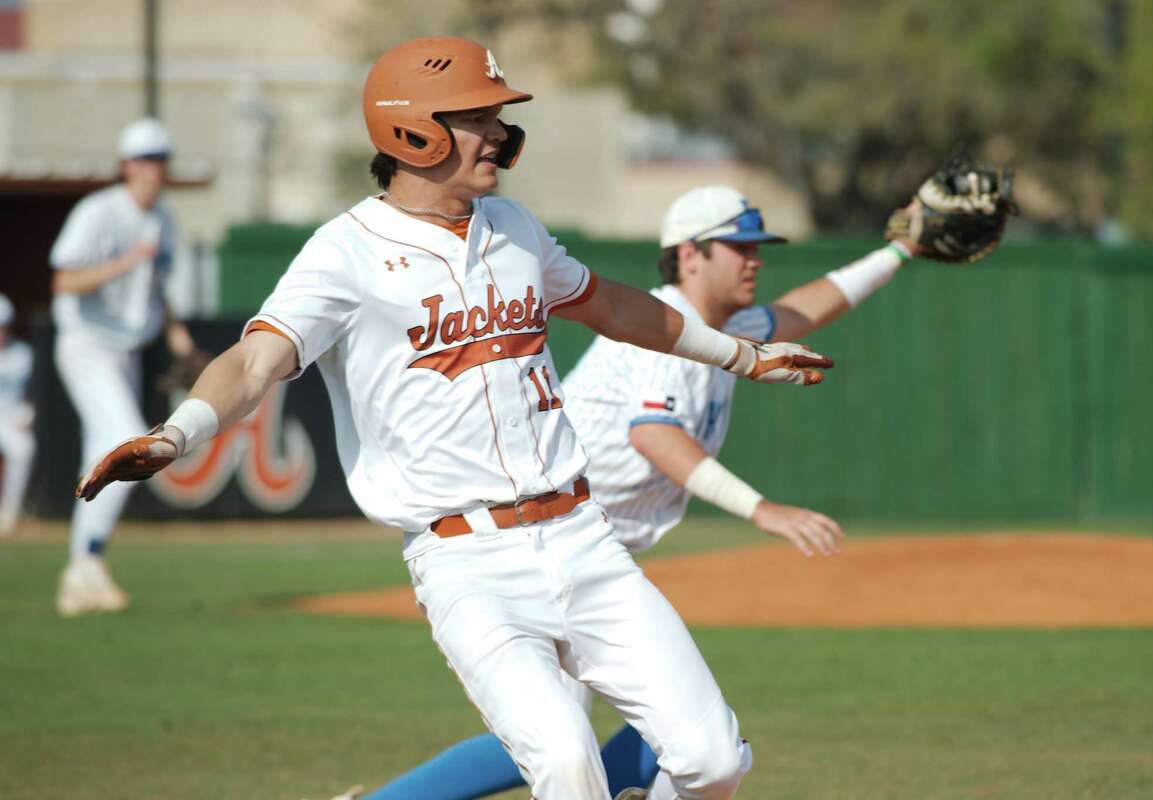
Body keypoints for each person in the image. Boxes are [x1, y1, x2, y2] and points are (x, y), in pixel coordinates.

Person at [75, 37, 835, 800]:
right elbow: (254, 362)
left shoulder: (513, 227)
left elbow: (612, 305)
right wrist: (182, 432)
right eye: (479, 115)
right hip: (467, 563)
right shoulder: (345, 252)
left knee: (714, 758)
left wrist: (740, 354)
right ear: (412, 129)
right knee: (569, 764)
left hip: (583, 536)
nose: (501, 133)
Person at [363, 188, 924, 799]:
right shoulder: (663, 325)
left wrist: (898, 251)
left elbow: (804, 312)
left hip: (589, 549)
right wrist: (761, 509)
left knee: (651, 741)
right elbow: (655, 434)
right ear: (690, 255)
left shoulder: (727, 328)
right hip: (537, 541)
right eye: (738, 247)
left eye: (756, 248)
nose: (753, 259)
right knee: (566, 742)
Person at [51, 117, 196, 616]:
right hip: (86, 344)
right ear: (127, 165)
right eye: (146, 160)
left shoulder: (164, 219)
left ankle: (82, 570)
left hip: (128, 351)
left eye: (160, 159)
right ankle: (85, 566)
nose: (154, 169)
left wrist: (181, 343)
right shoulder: (99, 212)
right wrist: (128, 261)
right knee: (127, 440)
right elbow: (64, 282)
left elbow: (159, 291)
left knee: (101, 456)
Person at [0, 293, 35, 536]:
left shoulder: (22, 354)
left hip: (8, 415)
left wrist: (28, 413)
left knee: (23, 448)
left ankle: (8, 514)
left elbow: (31, 394)